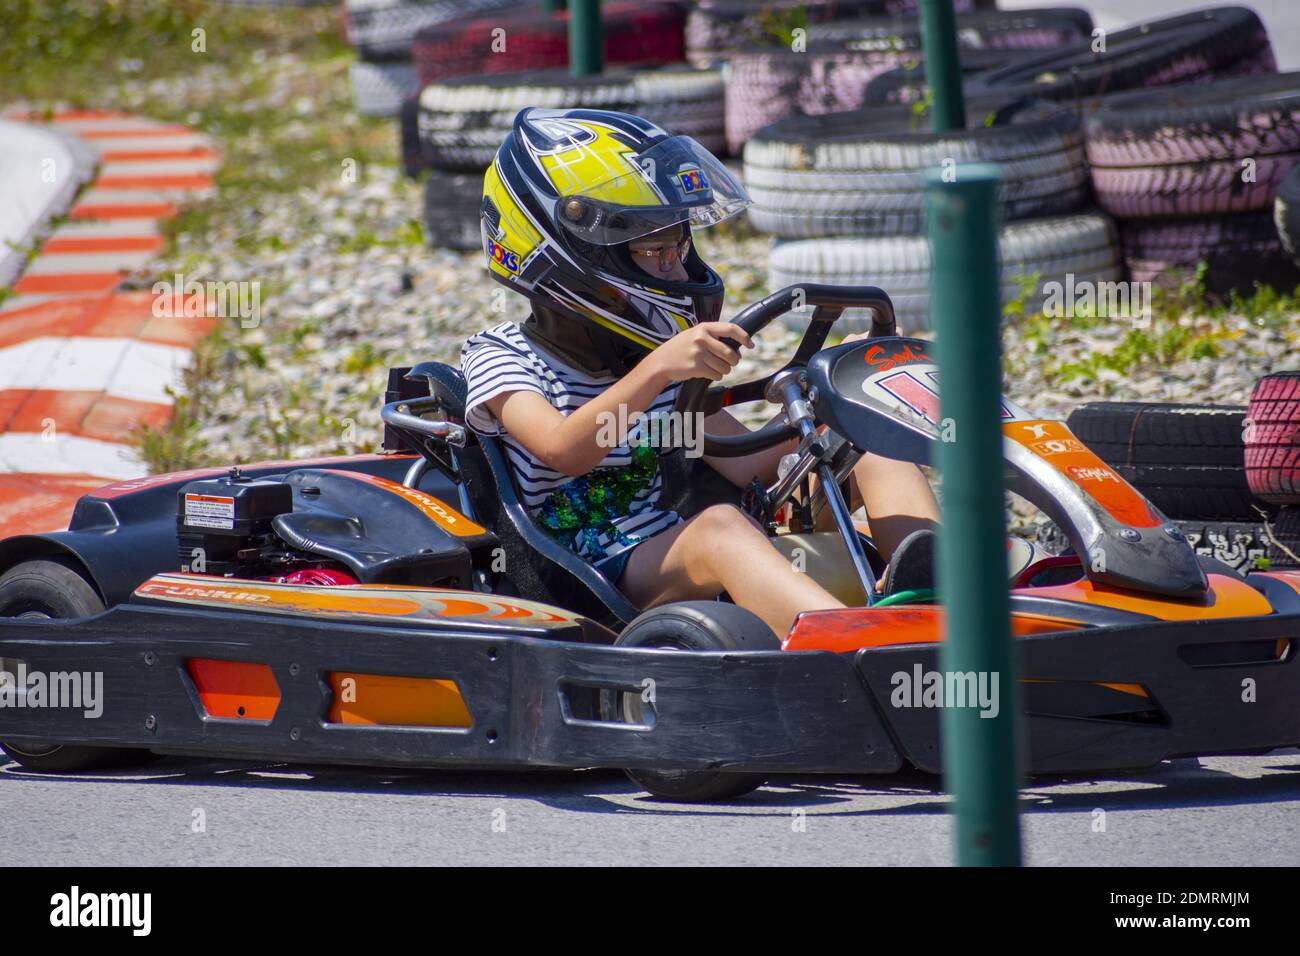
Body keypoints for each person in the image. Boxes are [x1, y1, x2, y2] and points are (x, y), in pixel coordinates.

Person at [461, 107, 939, 636]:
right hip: (586, 572)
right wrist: (658, 370)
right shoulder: (502, 356)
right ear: (570, 256)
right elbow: (562, 449)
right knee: (719, 528)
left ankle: (942, 595)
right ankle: (865, 648)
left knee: (865, 438)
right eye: (653, 250)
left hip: (668, 546)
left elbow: (749, 465)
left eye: (679, 247)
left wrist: (833, 398)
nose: (675, 267)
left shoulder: (652, 361)